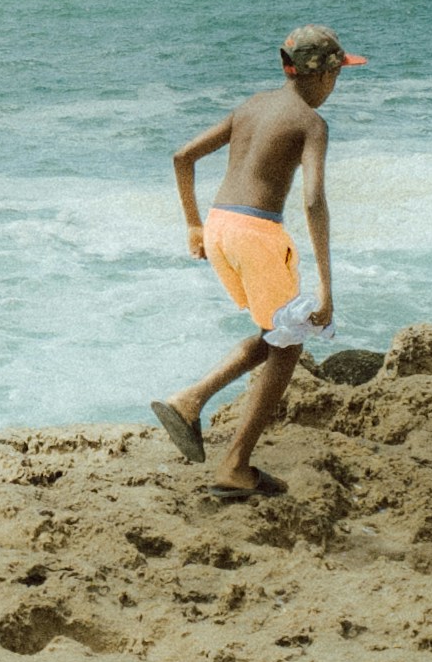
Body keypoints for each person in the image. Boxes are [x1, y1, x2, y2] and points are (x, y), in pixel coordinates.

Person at [152, 25, 364, 499]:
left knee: (276, 334)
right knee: (289, 344)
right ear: (325, 75)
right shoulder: (311, 123)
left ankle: (191, 400)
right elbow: (313, 202)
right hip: (255, 232)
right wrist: (328, 288)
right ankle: (234, 465)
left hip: (220, 226)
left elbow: (182, 157)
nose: (336, 84)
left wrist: (193, 226)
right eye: (338, 74)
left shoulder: (252, 105)